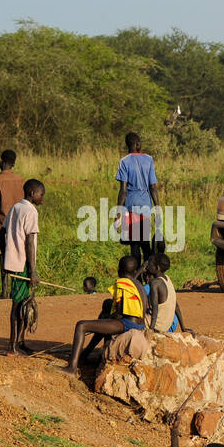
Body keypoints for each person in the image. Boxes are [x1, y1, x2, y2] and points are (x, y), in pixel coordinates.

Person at [66, 255, 149, 376]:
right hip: (140, 325)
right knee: (104, 322)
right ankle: (84, 355)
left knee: (82, 325)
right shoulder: (138, 284)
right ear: (135, 271)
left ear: (119, 270)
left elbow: (119, 313)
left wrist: (106, 319)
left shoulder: (122, 283)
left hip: (128, 323)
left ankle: (72, 368)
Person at [1, 178, 44, 356]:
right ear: (32, 193)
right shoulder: (30, 211)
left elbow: (2, 232)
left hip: (14, 261)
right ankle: (12, 346)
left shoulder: (15, 207)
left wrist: (5, 256)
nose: (42, 198)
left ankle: (21, 341)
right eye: (41, 194)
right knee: (18, 305)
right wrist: (32, 271)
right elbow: (30, 242)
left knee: (25, 304)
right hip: (23, 264)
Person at [116, 132, 160, 262]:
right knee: (145, 242)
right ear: (138, 144)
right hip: (145, 205)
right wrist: (157, 208)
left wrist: (118, 212)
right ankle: (147, 273)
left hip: (130, 206)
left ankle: (136, 277)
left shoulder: (124, 161)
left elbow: (123, 190)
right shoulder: (149, 159)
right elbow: (153, 187)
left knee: (134, 244)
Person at [0, 150, 23, 299]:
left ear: (1, 161)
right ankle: (17, 290)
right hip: (17, 224)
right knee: (17, 256)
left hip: (1, 224)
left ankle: (4, 291)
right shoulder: (20, 180)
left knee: (3, 257)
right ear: (13, 164)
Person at [144, 254, 188, 334]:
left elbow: (155, 308)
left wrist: (151, 329)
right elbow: (176, 306)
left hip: (156, 326)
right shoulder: (168, 279)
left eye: (149, 264)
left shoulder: (155, 283)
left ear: (157, 268)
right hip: (166, 326)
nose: (146, 266)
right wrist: (183, 328)